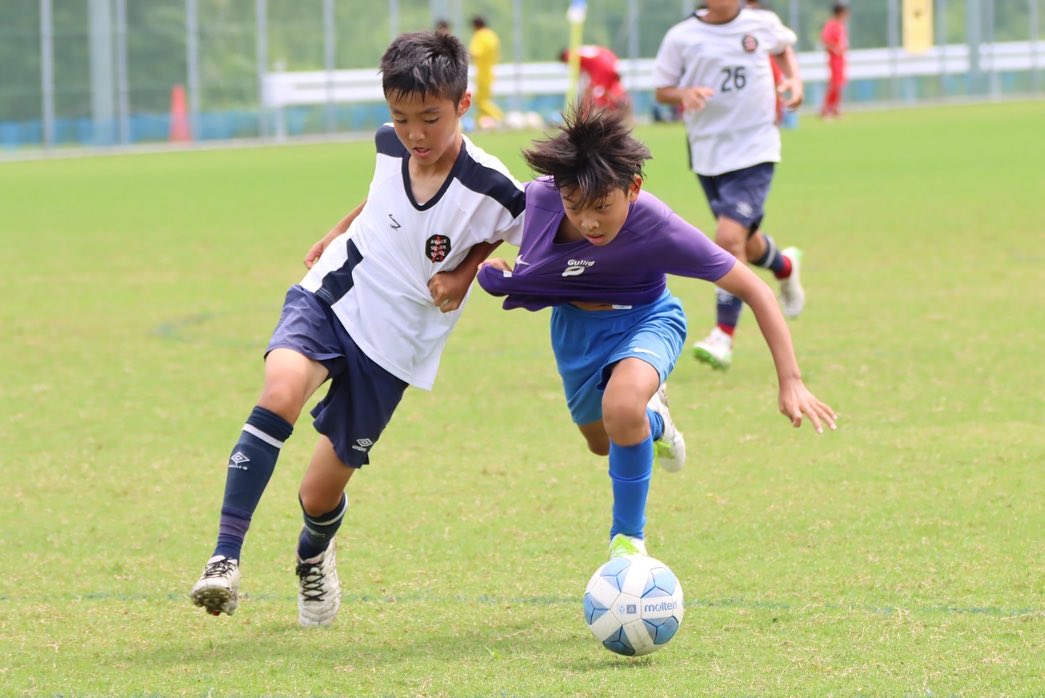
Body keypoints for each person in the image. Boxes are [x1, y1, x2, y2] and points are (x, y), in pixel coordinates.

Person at [189, 31, 525, 626]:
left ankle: (313, 553)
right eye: (400, 119)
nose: (415, 135)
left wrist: (469, 270)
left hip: (396, 346)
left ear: (463, 105)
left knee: (318, 495)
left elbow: (533, 243)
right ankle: (224, 559)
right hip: (336, 293)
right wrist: (334, 230)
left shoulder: (494, 187)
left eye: (430, 119)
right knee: (280, 389)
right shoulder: (388, 146)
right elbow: (379, 198)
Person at [476, 107, 836, 558]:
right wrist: (474, 271)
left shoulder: (657, 226)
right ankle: (657, 421)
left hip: (648, 319)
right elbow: (485, 224)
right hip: (576, 331)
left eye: (602, 208)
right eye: (575, 207)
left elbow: (755, 290)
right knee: (602, 442)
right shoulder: (543, 198)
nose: (588, 222)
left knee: (622, 405)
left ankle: (628, 542)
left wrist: (791, 380)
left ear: (633, 188)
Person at [653, 0, 806, 372]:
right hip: (709, 153)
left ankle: (723, 334)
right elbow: (662, 89)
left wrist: (794, 81)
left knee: (727, 238)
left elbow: (784, 47)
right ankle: (784, 266)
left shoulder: (762, 24)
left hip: (756, 149)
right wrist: (683, 94)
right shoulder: (682, 36)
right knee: (744, 243)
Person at [559, 45, 632, 117]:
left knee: (597, 95)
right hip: (610, 61)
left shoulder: (569, 56)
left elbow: (582, 77)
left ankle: (588, 116)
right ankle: (621, 103)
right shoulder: (581, 50)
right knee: (608, 89)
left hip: (601, 67)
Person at [468, 15, 504, 129]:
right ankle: (480, 124)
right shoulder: (492, 35)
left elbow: (475, 53)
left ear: (476, 26)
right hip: (491, 70)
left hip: (483, 72)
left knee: (480, 100)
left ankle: (500, 117)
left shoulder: (480, 36)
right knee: (483, 99)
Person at [821, 1, 850, 119]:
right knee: (834, 84)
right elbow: (825, 40)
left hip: (841, 59)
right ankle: (826, 110)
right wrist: (836, 49)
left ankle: (836, 108)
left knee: (840, 84)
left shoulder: (841, 25)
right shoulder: (832, 24)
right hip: (835, 59)